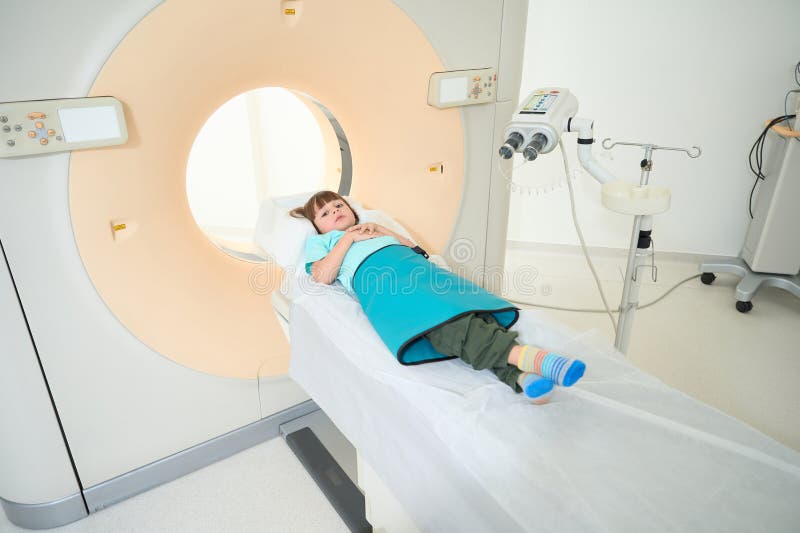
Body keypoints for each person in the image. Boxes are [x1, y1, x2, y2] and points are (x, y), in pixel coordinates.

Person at [290, 190, 585, 404]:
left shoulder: (373, 228)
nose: (335, 211)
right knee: (444, 326)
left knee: (467, 313)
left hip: (417, 270)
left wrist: (379, 229)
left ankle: (521, 378)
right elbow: (322, 275)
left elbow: (416, 250)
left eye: (338, 205)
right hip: (386, 284)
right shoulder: (324, 242)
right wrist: (348, 238)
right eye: (325, 213)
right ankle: (534, 359)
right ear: (317, 227)